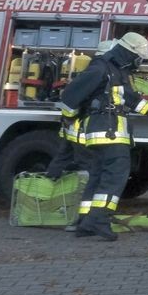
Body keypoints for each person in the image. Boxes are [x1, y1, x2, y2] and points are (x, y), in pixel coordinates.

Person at [58, 32, 148, 241]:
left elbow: (128, 98)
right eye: (138, 56)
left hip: (109, 131)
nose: (139, 61)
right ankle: (100, 219)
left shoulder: (116, 70)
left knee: (99, 176)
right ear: (129, 52)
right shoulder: (100, 68)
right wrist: (70, 119)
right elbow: (70, 97)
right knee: (116, 176)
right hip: (108, 132)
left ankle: (85, 222)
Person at [47, 39, 115, 232]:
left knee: (69, 161)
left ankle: (81, 218)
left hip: (75, 134)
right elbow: (73, 104)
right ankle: (84, 220)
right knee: (94, 176)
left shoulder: (92, 71)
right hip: (84, 136)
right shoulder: (99, 73)